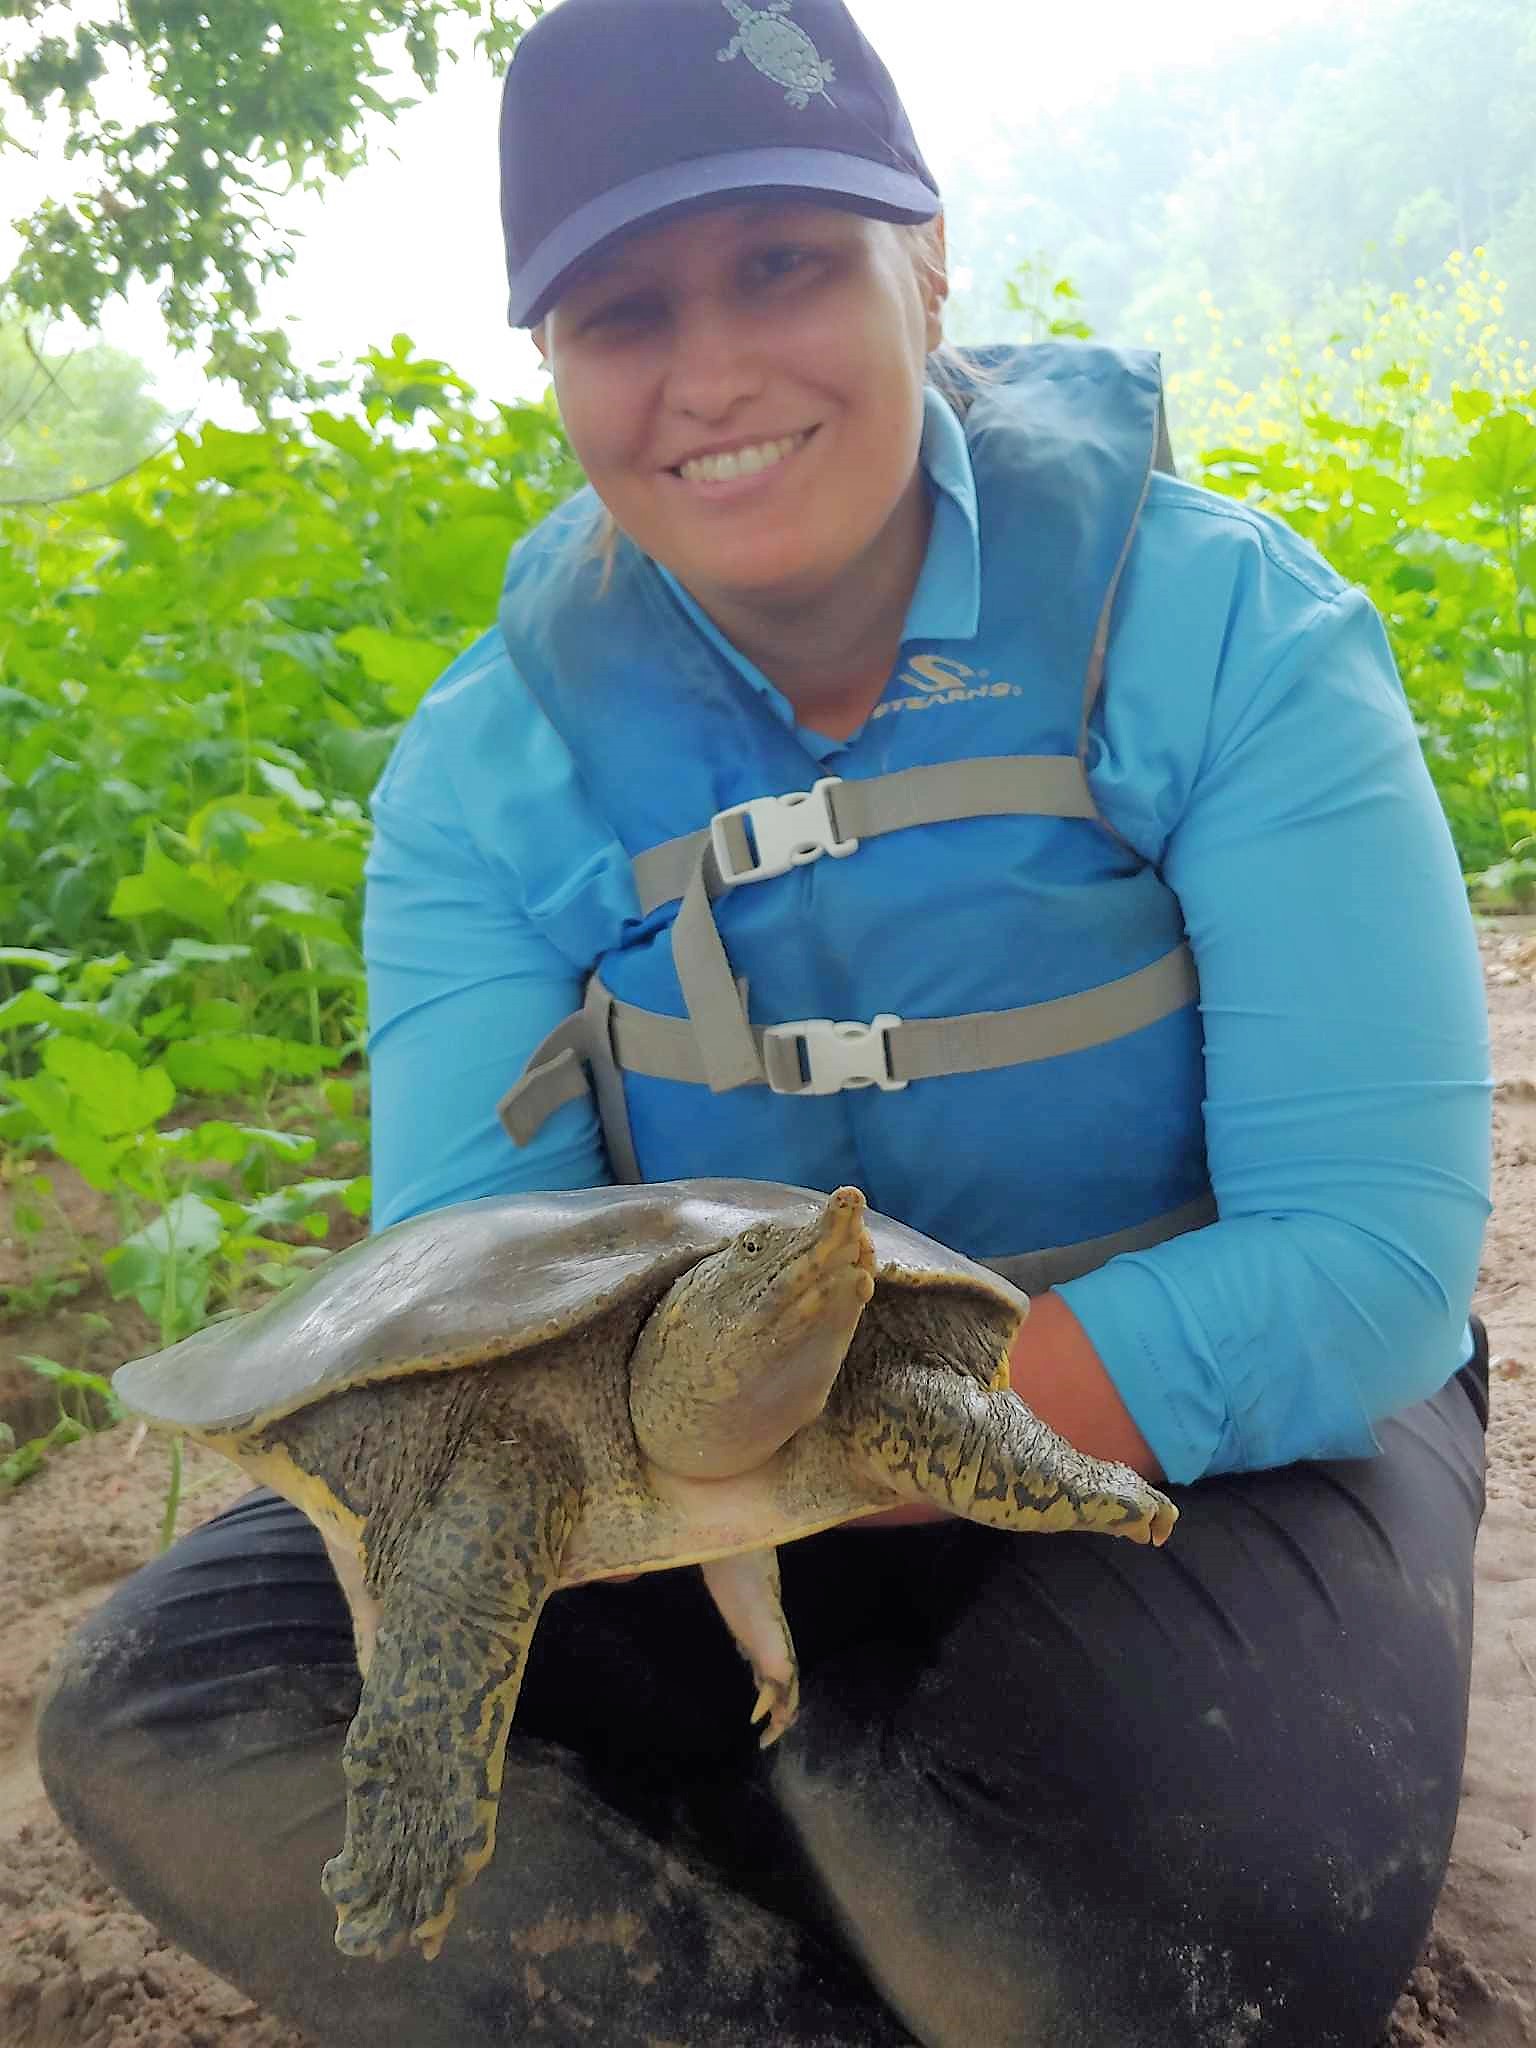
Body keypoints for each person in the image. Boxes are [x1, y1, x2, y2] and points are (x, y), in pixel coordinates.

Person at [40, 0, 1493, 2042]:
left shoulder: (1221, 628)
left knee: (1175, 1914)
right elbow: (464, 1303)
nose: (709, 372)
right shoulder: (486, 773)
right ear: (552, 362)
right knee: (183, 1713)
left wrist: (894, 1435)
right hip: (657, 1450)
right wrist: (685, 1489)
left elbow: (1372, 1256)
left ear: (927, 254)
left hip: (1190, 1435)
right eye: (621, 310)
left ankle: (900, 1840)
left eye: (783, 263)